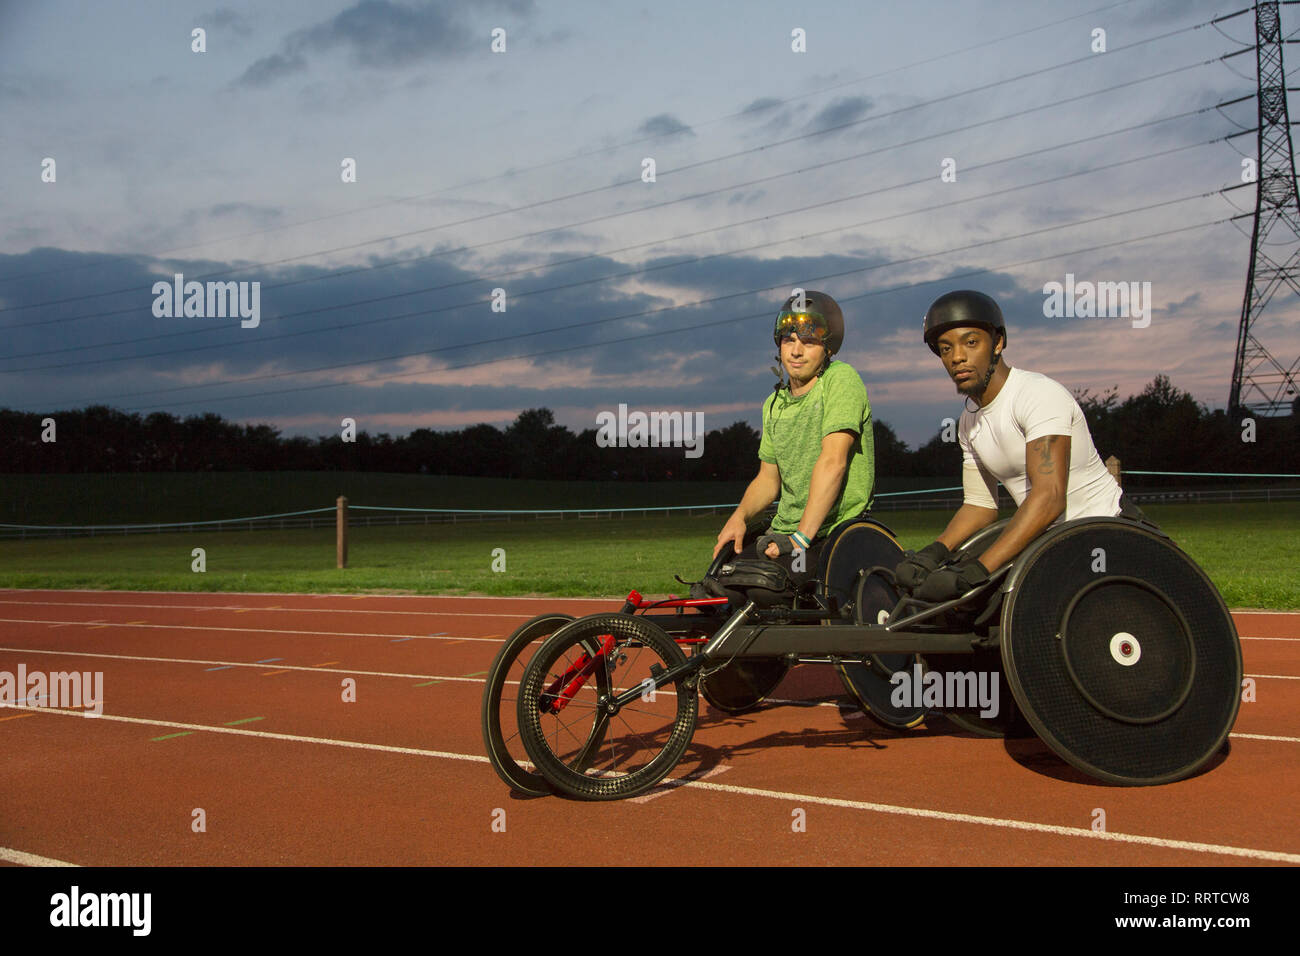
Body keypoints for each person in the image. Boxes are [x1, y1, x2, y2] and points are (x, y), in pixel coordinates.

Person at [896, 289, 1137, 603]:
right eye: (945, 348)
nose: (957, 357)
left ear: (997, 343)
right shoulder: (969, 422)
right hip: (1051, 543)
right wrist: (933, 554)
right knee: (947, 607)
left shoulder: (1036, 395)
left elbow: (1050, 497)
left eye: (971, 342)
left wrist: (977, 571)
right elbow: (981, 507)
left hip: (1107, 537)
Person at [706, 290, 875, 594]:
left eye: (809, 342)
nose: (796, 351)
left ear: (827, 348)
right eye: (789, 340)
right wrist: (739, 517)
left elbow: (833, 461)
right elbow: (768, 480)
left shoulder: (841, 379)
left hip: (830, 534)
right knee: (716, 584)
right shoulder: (774, 403)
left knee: (761, 592)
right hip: (781, 532)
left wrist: (800, 538)